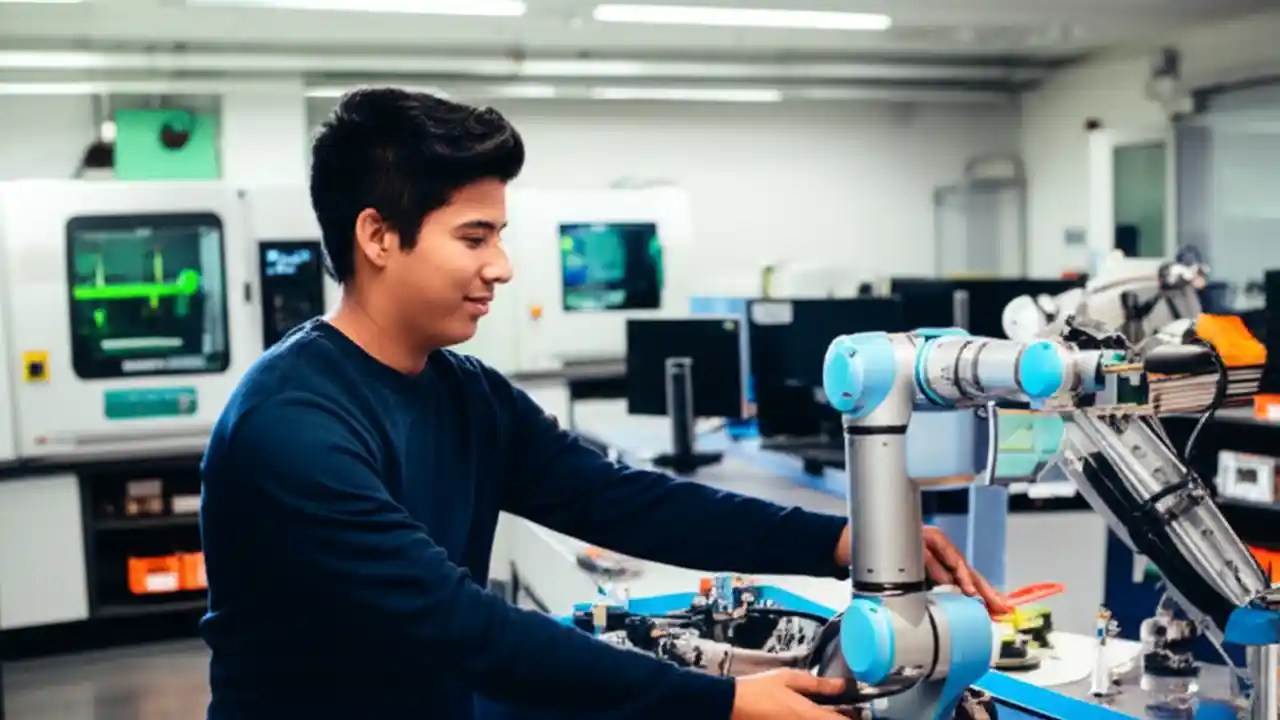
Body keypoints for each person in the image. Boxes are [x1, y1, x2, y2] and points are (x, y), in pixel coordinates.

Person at [198, 87, 1008, 720]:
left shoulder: (465, 392)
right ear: (378, 236)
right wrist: (722, 704)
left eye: (499, 236)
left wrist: (838, 539)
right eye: (475, 238)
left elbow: (621, 500)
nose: (502, 267)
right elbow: (458, 624)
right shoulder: (291, 426)